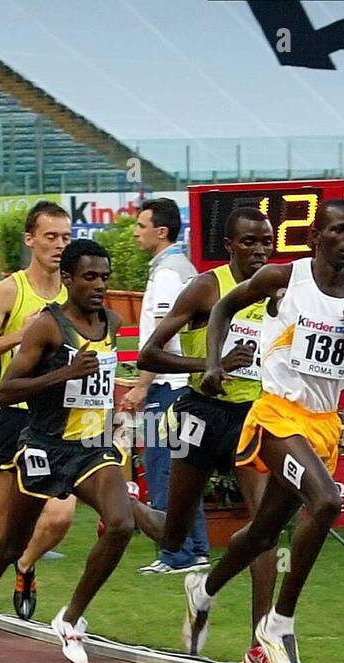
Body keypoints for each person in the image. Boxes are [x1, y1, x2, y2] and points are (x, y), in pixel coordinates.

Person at [182, 200, 344, 663]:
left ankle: (203, 589)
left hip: (323, 424)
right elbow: (223, 308)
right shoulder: (284, 279)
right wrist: (213, 362)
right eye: (340, 230)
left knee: (262, 534)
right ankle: (277, 625)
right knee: (327, 501)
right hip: (276, 414)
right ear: (315, 238)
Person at [0, 239, 163, 663]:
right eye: (89, 277)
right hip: (44, 447)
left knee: (120, 524)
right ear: (67, 279)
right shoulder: (47, 326)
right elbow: (7, 391)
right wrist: (66, 373)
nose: (99, 285)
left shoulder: (112, 321)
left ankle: (70, 617)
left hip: (91, 447)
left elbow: (100, 385)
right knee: (10, 546)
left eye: (104, 276)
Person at [137, 205, 279, 663]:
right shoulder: (205, 288)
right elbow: (149, 354)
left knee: (264, 528)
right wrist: (209, 366)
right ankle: (124, 503)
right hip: (200, 414)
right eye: (249, 242)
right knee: (172, 534)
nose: (260, 250)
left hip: (253, 418)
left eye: (266, 242)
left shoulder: (282, 289)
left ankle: (261, 643)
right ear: (229, 246)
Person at [0, 200, 74, 623]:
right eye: (50, 237)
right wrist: (21, 336)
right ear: (30, 240)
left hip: (60, 422)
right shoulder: (11, 290)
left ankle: (25, 565)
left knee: (60, 514)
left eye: (65, 237)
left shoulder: (75, 292)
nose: (59, 245)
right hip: (14, 416)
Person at [122, 197, 209, 574]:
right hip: (178, 384)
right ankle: (198, 549)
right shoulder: (180, 268)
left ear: (161, 231)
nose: (136, 232)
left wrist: (142, 385)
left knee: (163, 472)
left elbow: (164, 337)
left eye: (141, 226)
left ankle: (176, 554)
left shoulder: (168, 274)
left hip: (167, 387)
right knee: (184, 472)